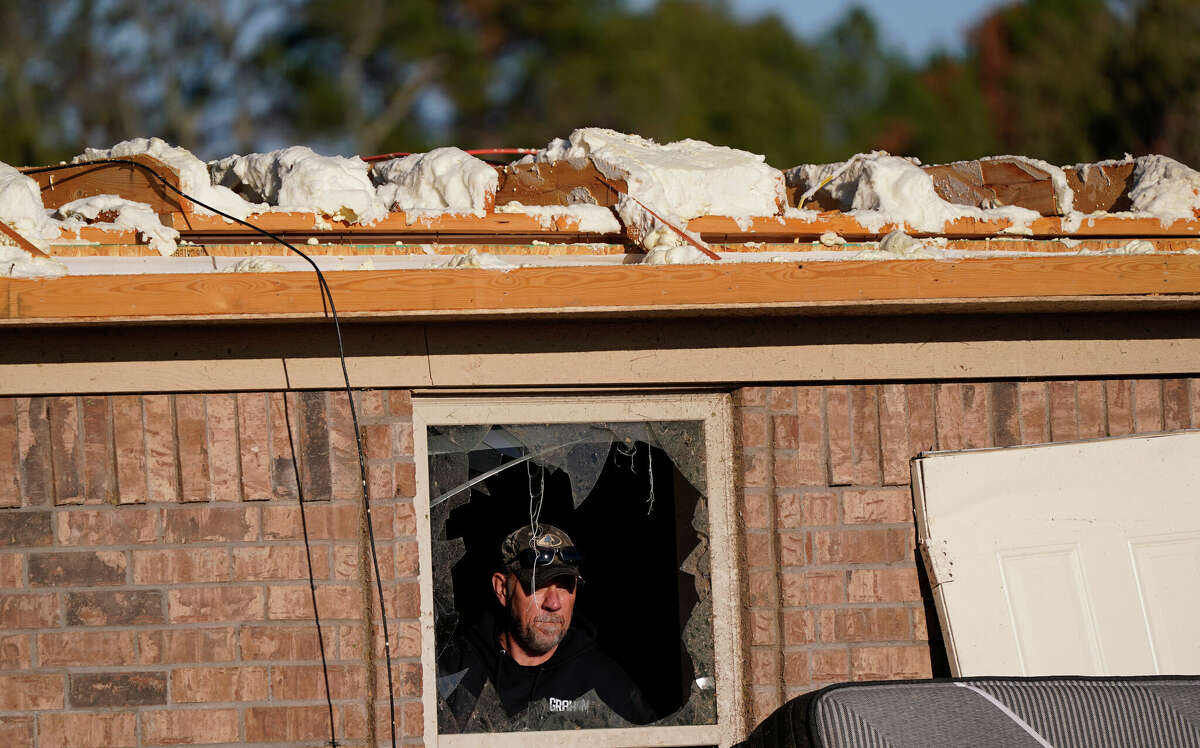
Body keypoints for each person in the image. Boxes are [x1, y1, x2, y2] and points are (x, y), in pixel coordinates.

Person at [437, 523, 656, 730]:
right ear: (503, 589)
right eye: (538, 585)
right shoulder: (456, 670)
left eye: (564, 586)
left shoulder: (602, 682)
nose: (553, 603)